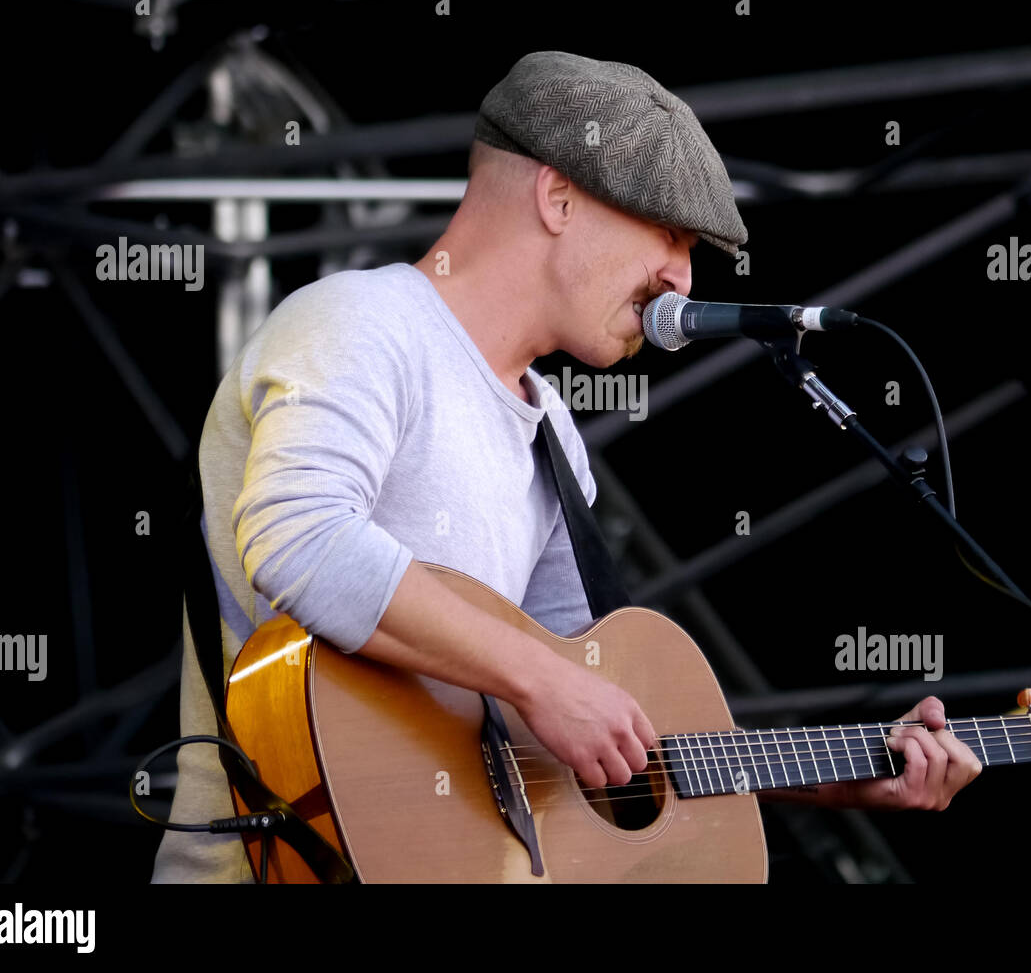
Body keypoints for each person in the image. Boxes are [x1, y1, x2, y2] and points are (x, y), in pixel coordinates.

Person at [151, 51, 981, 884]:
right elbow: (302, 541)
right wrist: (545, 680)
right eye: (670, 234)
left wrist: (838, 779)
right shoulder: (362, 321)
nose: (683, 279)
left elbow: (594, 729)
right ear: (557, 198)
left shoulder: (553, 432)